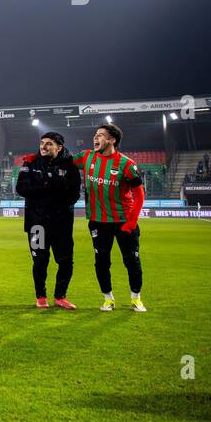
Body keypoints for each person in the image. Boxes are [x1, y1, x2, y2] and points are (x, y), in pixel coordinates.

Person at [75, 123, 146, 312]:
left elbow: (139, 195)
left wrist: (131, 222)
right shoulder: (86, 157)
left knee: (131, 261)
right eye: (95, 135)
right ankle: (108, 298)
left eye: (101, 135)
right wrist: (37, 159)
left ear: (112, 140)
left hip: (124, 222)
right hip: (98, 222)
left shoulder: (126, 164)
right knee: (101, 262)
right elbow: (61, 161)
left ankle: (136, 298)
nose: (95, 138)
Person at [16, 131, 81, 309]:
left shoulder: (71, 165)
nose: (43, 146)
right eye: (42, 143)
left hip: (62, 224)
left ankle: (60, 297)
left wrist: (52, 188)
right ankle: (41, 296)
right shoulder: (30, 162)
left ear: (59, 147)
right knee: (40, 261)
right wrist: (46, 186)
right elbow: (21, 188)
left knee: (66, 261)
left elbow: (73, 194)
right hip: (37, 224)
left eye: (49, 144)